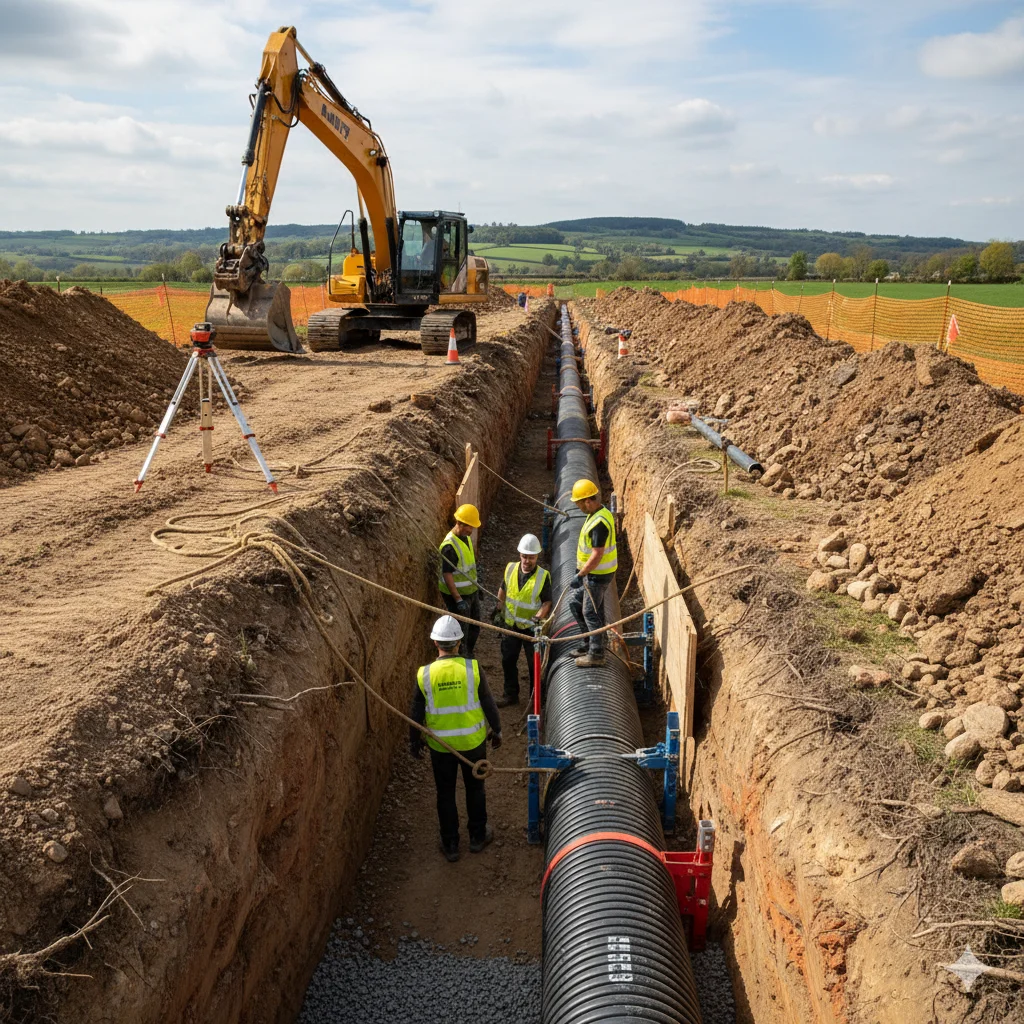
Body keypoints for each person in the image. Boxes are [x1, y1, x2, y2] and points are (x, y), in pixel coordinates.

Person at [410, 615, 502, 862]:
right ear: (459, 643)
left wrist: (414, 739)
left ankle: (450, 844)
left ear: (435, 643)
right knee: (475, 789)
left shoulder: (424, 674)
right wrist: (498, 730)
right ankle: (477, 837)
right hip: (472, 744)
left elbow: (416, 710)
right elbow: (488, 702)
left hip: (440, 746)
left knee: (445, 793)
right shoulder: (472, 668)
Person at [491, 533, 552, 707]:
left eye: (531, 557)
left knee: (534, 665)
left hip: (531, 628)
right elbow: (503, 589)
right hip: (511, 626)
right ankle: (510, 695)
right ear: (520, 555)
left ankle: (535, 699)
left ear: (537, 556)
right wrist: (498, 609)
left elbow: (547, 602)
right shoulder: (510, 568)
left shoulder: (543, 576)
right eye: (524, 556)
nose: (527, 561)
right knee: (508, 660)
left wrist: (539, 617)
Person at [567, 479, 617, 667]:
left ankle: (596, 654)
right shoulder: (599, 513)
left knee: (590, 612)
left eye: (579, 503)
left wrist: (581, 575)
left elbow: (597, 554)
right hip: (595, 574)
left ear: (588, 501)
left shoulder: (599, 522)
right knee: (576, 602)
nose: (579, 507)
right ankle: (590, 642)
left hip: (598, 575)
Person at [438, 503, 482, 657]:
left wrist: (477, 586)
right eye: (469, 527)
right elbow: (447, 574)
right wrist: (457, 600)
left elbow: (467, 565)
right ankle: (462, 657)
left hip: (470, 591)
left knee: (475, 625)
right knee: (461, 631)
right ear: (460, 523)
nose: (471, 530)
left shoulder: (465, 538)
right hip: (458, 596)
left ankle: (468, 651)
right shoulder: (449, 546)